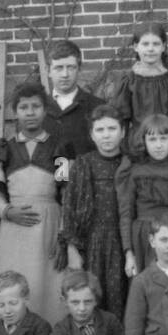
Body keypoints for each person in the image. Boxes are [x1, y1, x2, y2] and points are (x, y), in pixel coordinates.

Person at [0, 82, 64, 324]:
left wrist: (63, 235)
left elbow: (68, 192)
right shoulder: (3, 149)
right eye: (24, 107)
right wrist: (7, 211)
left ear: (45, 110)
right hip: (14, 230)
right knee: (16, 286)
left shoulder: (59, 148)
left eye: (36, 106)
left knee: (49, 287)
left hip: (49, 225)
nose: (30, 112)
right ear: (15, 111)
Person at [60, 105, 129, 318]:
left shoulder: (130, 163)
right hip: (92, 243)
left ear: (123, 131)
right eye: (100, 130)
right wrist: (72, 250)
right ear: (91, 134)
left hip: (124, 241)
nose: (106, 135)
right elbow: (70, 208)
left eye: (112, 128)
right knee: (91, 297)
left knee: (124, 298)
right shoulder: (83, 164)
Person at [116, 113, 168, 277]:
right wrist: (129, 253)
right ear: (143, 141)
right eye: (152, 139)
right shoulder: (134, 170)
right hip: (144, 237)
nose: (158, 145)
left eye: (163, 139)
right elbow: (126, 213)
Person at [109, 21, 168, 154]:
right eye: (145, 44)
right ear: (136, 46)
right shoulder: (128, 81)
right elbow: (122, 121)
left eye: (156, 44)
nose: (150, 49)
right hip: (138, 148)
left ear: (164, 46)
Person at [43, 39, 101, 161]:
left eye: (70, 67)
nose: (65, 74)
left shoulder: (97, 107)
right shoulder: (38, 109)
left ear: (79, 69)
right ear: (48, 70)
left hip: (84, 177)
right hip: (48, 178)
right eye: (59, 68)